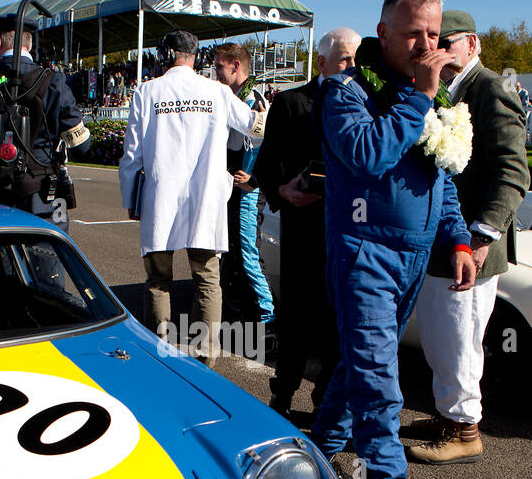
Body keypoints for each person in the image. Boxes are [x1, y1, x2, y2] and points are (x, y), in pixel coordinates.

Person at [309, 0, 475, 479]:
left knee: (359, 368)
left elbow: (441, 177)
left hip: (412, 257)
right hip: (364, 257)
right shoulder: (347, 92)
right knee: (380, 381)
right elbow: (367, 155)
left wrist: (456, 237)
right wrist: (418, 100)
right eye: (414, 34)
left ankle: (319, 452)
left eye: (433, 34)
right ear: (384, 34)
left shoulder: (429, 98)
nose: (426, 44)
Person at [407, 9, 528, 466]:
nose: (436, 50)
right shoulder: (444, 92)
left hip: (471, 247)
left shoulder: (490, 88)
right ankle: (447, 415)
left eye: (447, 41)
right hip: (444, 243)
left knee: (459, 337)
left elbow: (513, 172)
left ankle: (465, 430)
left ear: (472, 44)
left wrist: (482, 236)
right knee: (440, 336)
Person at [117, 30, 263, 364]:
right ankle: (206, 358)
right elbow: (252, 125)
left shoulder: (147, 91)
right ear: (195, 56)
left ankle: (160, 355)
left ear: (167, 54)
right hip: (205, 198)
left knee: (158, 280)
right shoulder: (216, 91)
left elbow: (132, 154)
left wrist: (130, 198)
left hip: (160, 197)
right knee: (207, 279)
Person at [253, 28, 358, 419]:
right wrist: (284, 189)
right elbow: (266, 164)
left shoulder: (364, 104)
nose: (351, 67)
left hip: (348, 233)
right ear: (322, 62)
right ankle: (281, 397)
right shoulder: (293, 102)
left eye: (355, 60)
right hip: (303, 230)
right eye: (344, 59)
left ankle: (325, 406)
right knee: (297, 322)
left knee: (337, 325)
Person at [0, 13, 90, 228]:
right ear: (29, 45)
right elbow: (82, 146)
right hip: (44, 195)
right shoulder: (53, 80)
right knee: (50, 255)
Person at [212, 42, 273, 324]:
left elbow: (266, 142)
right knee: (230, 253)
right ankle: (235, 314)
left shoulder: (254, 97)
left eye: (219, 67)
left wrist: (253, 178)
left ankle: (266, 317)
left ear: (236, 66)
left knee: (248, 254)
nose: (215, 73)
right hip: (230, 188)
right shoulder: (230, 95)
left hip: (247, 191)